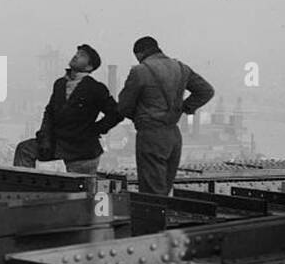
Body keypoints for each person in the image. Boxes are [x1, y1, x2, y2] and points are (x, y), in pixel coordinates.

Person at [116, 36, 215, 195]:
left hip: (150, 135)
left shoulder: (140, 71)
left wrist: (140, 117)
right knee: (164, 189)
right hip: (173, 135)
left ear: (139, 54)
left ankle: (154, 220)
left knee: (151, 192)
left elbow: (123, 106)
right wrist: (185, 108)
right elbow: (206, 91)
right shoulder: (181, 68)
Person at [13, 44, 122, 175]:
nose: (76, 56)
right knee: (25, 149)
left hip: (82, 149)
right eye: (77, 53)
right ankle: (24, 190)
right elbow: (49, 113)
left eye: (82, 55)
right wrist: (45, 138)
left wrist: (95, 129)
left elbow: (116, 113)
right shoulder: (60, 84)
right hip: (58, 142)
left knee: (79, 189)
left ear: (89, 66)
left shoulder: (95, 88)